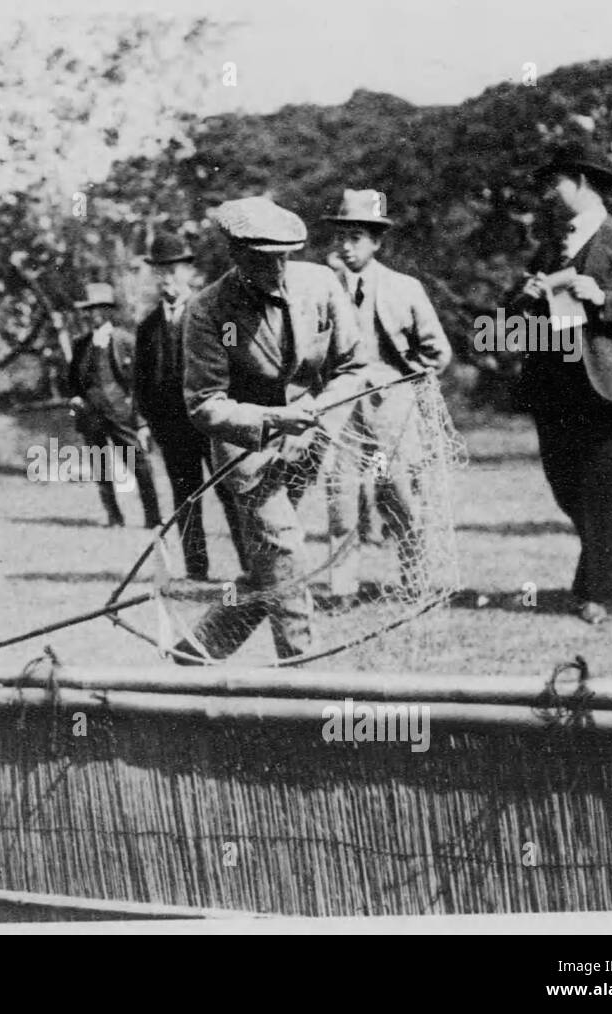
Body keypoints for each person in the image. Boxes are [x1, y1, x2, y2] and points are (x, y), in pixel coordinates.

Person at [172, 196, 368, 664]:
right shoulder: (209, 310)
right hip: (249, 454)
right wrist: (272, 422)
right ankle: (303, 674)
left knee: (270, 569)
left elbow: (354, 366)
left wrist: (317, 413)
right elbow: (203, 404)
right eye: (263, 258)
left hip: (310, 442)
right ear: (236, 254)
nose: (277, 268)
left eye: (285, 255)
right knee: (286, 553)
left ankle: (195, 654)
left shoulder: (320, 284)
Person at [511, 141, 612, 625]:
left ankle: (592, 589)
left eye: (553, 184)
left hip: (607, 384)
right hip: (553, 384)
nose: (547, 196)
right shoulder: (550, 247)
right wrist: (525, 297)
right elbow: (521, 321)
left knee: (598, 487)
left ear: (580, 182)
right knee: (564, 489)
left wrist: (605, 297)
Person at [322, 189, 452, 603]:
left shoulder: (404, 288)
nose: (346, 245)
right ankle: (342, 588)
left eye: (356, 237)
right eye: (341, 236)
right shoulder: (324, 289)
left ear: (377, 242)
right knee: (341, 498)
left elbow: (439, 351)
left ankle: (414, 582)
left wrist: (403, 381)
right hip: (341, 412)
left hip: (392, 413)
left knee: (400, 495)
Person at [133, 232, 246, 580]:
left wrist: (233, 411)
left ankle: (251, 567)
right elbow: (141, 381)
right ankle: (196, 571)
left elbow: (236, 360)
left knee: (231, 493)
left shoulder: (215, 312)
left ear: (188, 271)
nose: (167, 278)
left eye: (173, 269)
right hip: (172, 428)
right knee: (185, 498)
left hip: (213, 422)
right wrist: (142, 422)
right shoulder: (147, 326)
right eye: (160, 271)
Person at [66, 283, 161, 529]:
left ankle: (154, 519)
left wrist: (141, 421)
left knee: (139, 464)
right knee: (100, 468)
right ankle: (114, 517)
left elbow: (141, 384)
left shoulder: (126, 341)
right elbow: (73, 381)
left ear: (109, 311)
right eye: (89, 310)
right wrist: (76, 397)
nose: (93, 314)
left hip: (122, 413)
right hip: (91, 415)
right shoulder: (80, 344)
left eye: (99, 309)